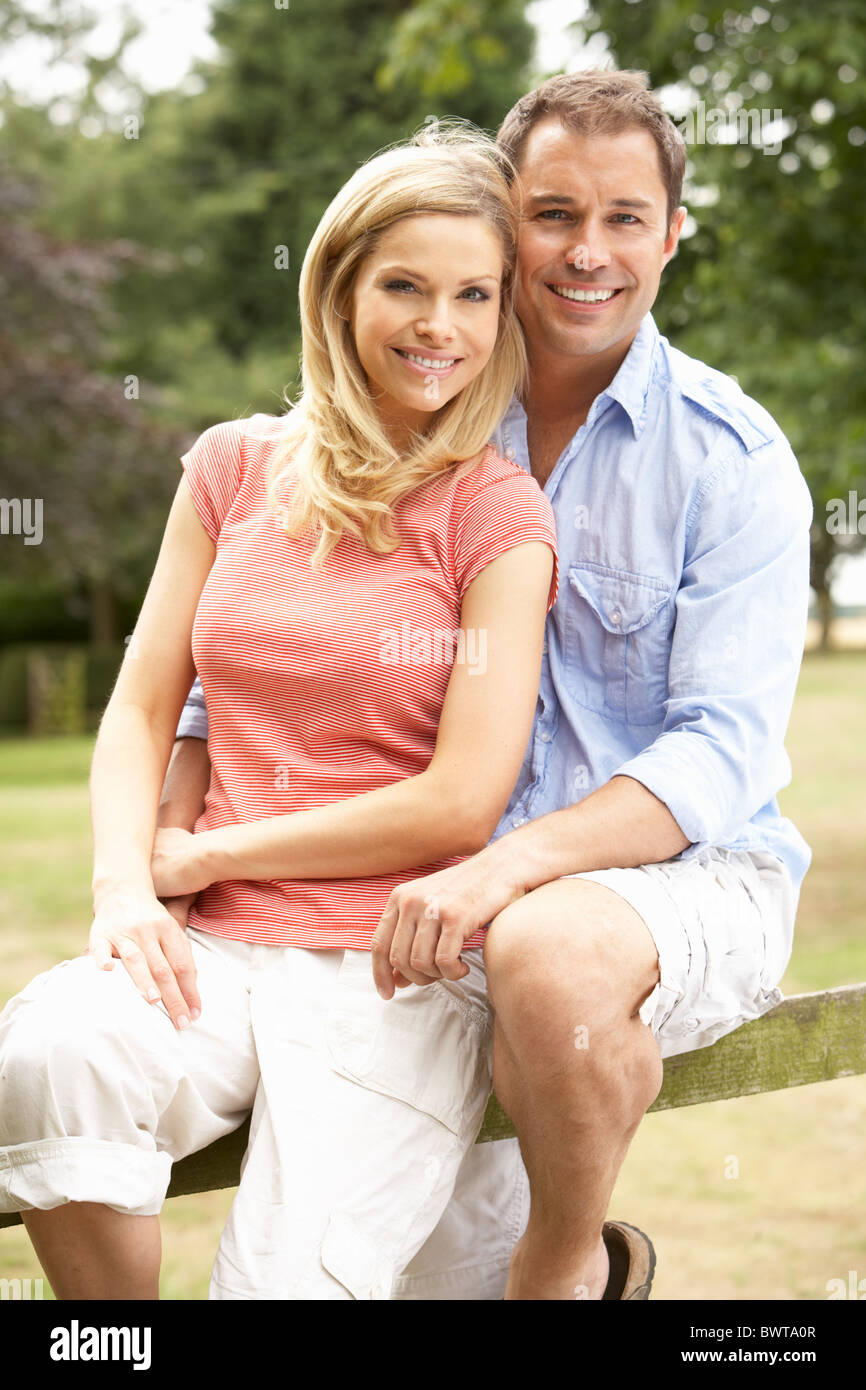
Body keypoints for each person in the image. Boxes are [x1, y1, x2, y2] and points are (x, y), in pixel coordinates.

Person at [168, 68, 813, 1301]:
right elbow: (244, 656)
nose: (586, 251)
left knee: (551, 954)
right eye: (552, 213)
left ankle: (560, 1275)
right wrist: (166, 856)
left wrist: (504, 866)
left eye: (625, 218)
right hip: (432, 895)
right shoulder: (421, 409)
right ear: (501, 219)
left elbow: (717, 756)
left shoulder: (731, 461)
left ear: (671, 235)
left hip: (680, 872)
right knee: (390, 1265)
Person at [0, 122, 561, 1300]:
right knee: (50, 1051)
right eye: (403, 285)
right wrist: (123, 889)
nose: (436, 327)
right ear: (336, 287)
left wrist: (203, 850)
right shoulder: (231, 468)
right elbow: (142, 704)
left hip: (389, 975)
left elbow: (460, 798)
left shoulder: (495, 515)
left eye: (472, 294)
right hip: (209, 953)